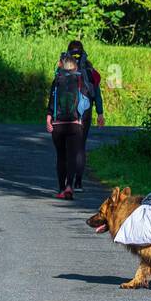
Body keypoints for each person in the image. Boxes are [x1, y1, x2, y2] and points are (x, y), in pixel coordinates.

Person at [46, 52, 90, 200]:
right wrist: (82, 120)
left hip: (58, 125)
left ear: (62, 65)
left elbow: (51, 102)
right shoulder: (80, 80)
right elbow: (85, 102)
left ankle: (61, 189)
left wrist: (48, 119)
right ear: (74, 66)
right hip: (75, 124)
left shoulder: (57, 80)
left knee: (61, 157)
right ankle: (70, 186)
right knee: (72, 156)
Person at [66, 40, 105, 155]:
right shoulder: (89, 70)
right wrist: (100, 113)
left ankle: (68, 169)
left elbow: (55, 90)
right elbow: (97, 94)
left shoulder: (62, 68)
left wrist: (51, 113)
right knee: (81, 145)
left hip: (66, 112)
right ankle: (79, 171)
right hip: (85, 111)